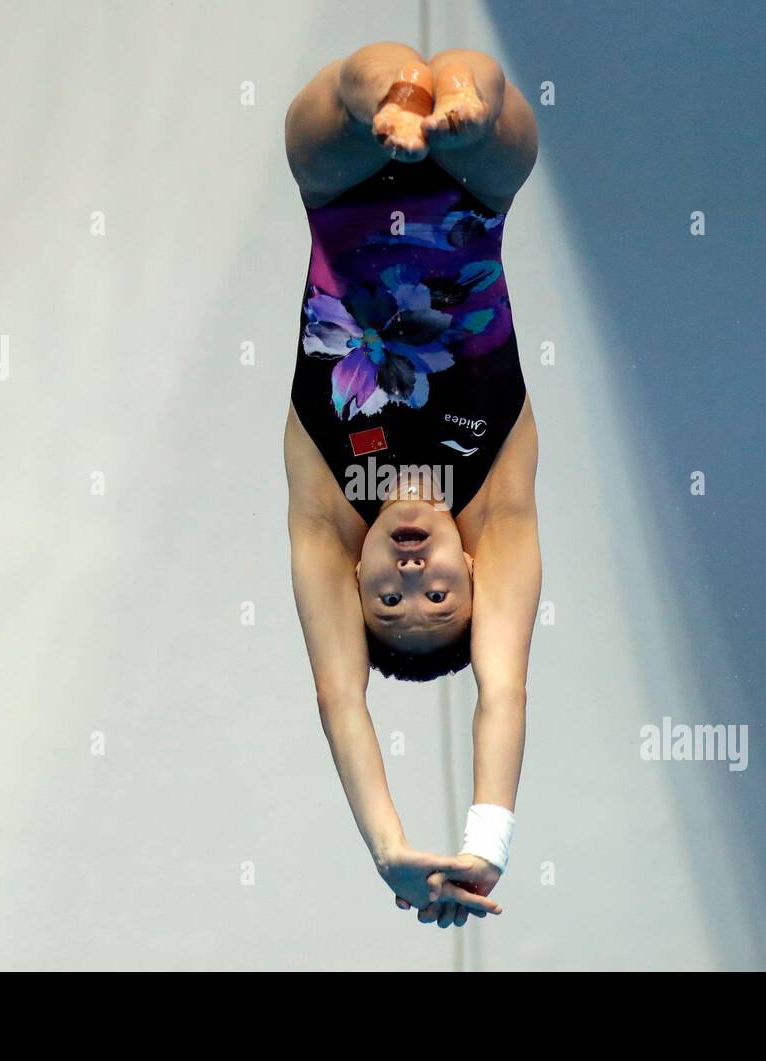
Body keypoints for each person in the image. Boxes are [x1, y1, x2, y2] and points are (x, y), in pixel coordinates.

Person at [283, 42, 540, 928]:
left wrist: (389, 847)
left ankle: (394, 101)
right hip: (478, 196)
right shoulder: (495, 505)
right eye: (440, 593)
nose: (411, 574)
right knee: (474, 80)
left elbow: (337, 695)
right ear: (477, 567)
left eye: (391, 601)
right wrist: (487, 841)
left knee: (384, 68)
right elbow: (501, 690)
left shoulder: (326, 515)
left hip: (338, 186)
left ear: (354, 583)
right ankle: (456, 98)